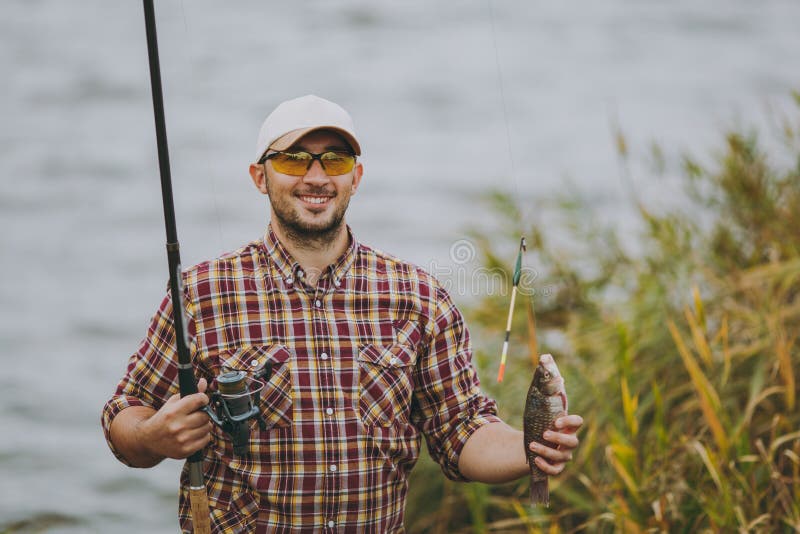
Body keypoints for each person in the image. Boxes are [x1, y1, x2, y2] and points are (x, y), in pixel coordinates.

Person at [101, 94, 583, 533]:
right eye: (293, 159)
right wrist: (154, 435)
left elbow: (461, 433)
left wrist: (530, 448)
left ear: (356, 176)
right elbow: (124, 417)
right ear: (259, 176)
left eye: (335, 160)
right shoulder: (201, 293)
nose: (316, 177)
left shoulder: (418, 297)